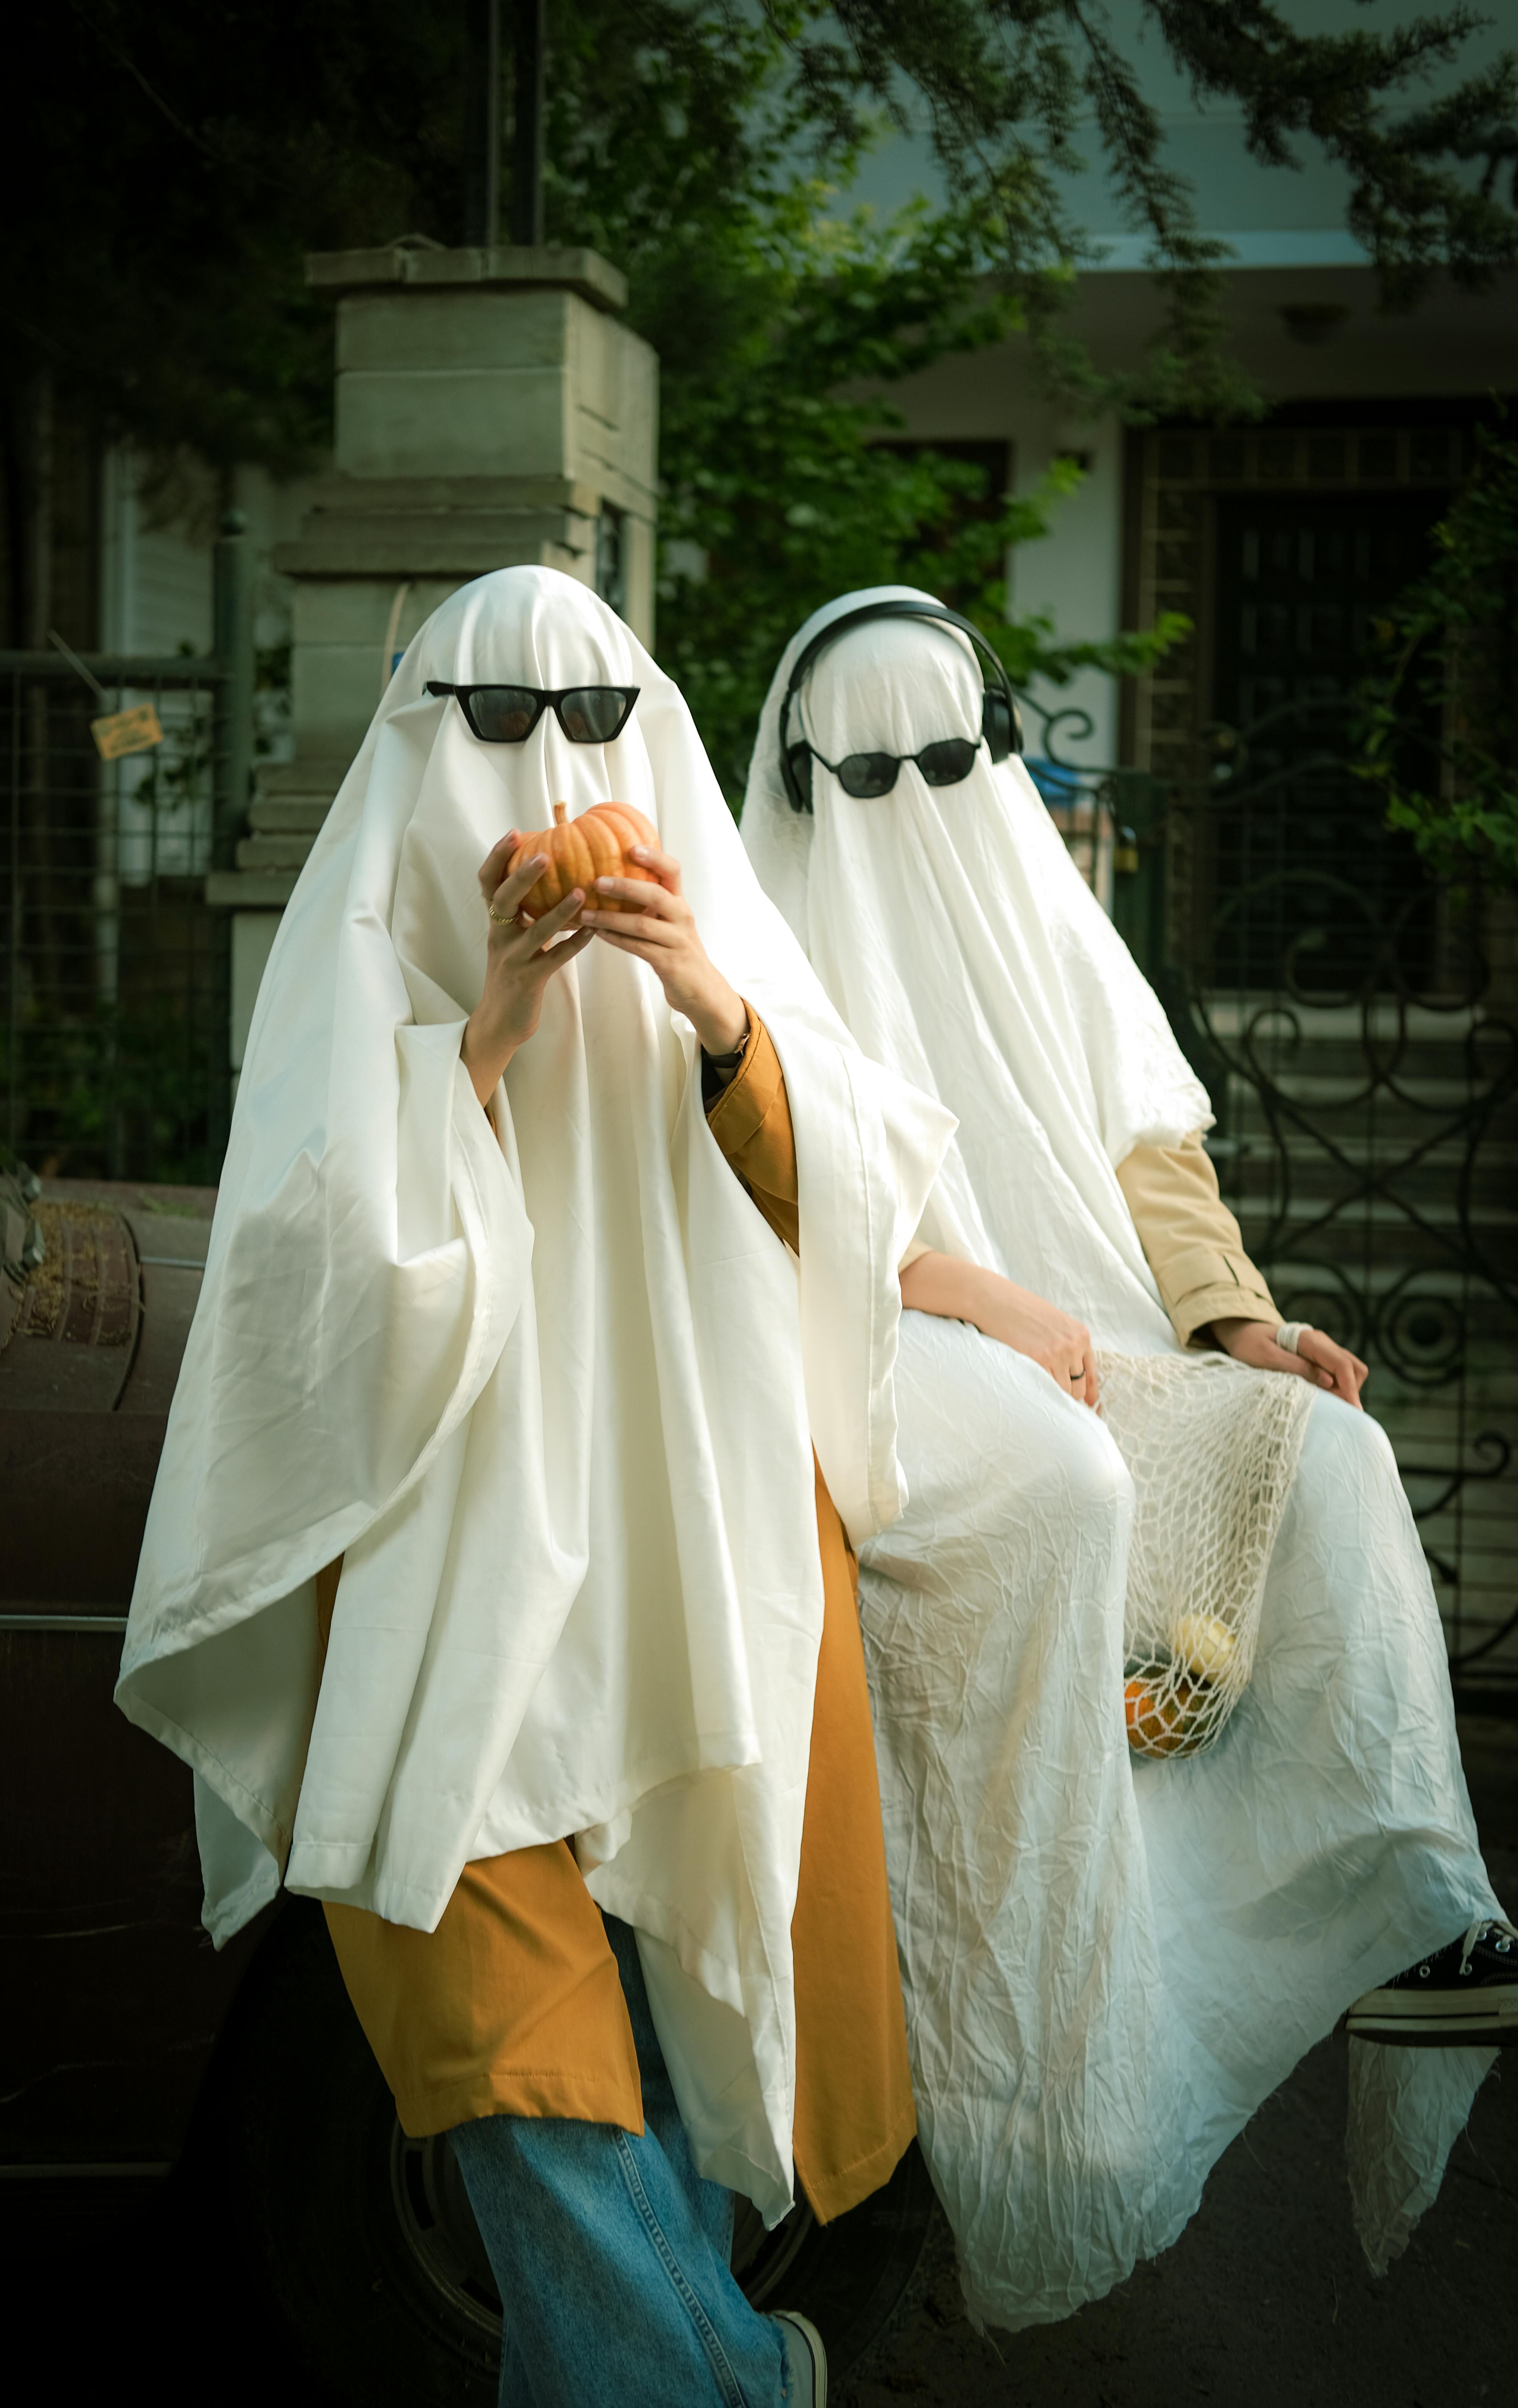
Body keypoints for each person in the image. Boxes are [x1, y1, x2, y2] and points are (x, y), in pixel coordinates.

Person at [115, 566, 955, 2405]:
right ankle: (737, 2384)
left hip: (695, 1559)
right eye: (496, 722)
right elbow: (305, 1290)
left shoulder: (717, 942)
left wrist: (711, 1011)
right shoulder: (353, 968)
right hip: (439, 1583)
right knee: (510, 2056)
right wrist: (480, 1043)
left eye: (591, 721)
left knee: (662, 2041)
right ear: (426, 734)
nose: (546, 767)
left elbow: (867, 1197)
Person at [740, 586, 1518, 2335]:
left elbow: (1150, 1161)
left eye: (948, 757)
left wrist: (1242, 1331)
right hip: (906, 1374)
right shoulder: (764, 949)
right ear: (801, 774)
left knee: (1328, 1454)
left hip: (1110, 1345)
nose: (914, 799)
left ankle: (1408, 1915)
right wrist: (986, 1319)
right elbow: (773, 1214)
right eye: (870, 770)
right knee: (1052, 1501)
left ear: (994, 752)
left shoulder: (1037, 913)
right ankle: (1051, 2073)